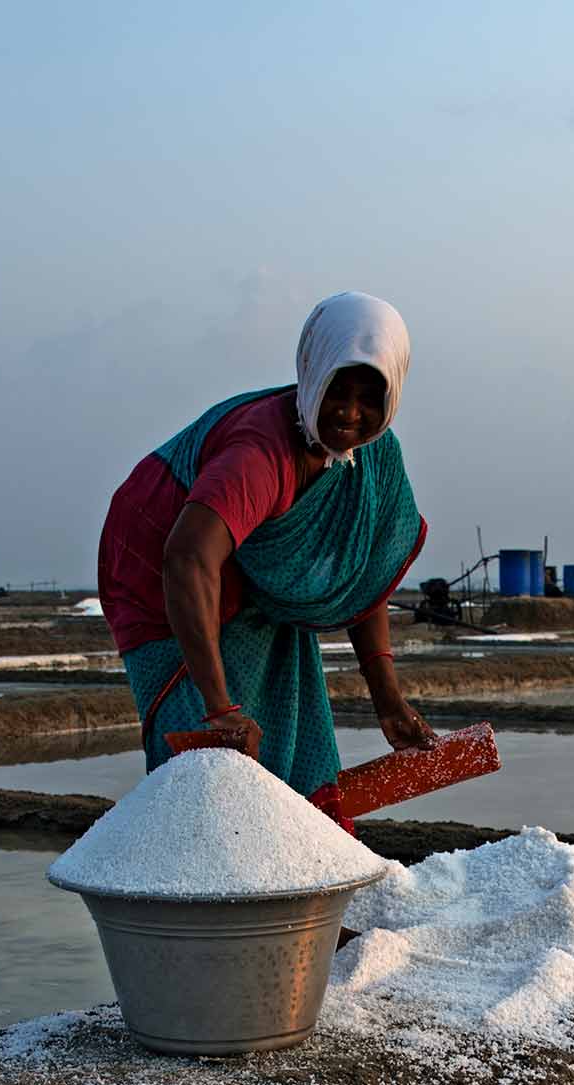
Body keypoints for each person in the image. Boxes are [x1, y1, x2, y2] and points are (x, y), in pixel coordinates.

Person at [96, 292, 436, 826]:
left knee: (286, 712)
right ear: (312, 375)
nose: (349, 413)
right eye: (335, 392)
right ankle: (202, 869)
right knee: (211, 746)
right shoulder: (260, 454)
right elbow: (186, 559)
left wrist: (389, 702)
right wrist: (218, 707)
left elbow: (362, 578)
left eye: (369, 398)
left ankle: (298, 849)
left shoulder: (372, 459)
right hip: (156, 560)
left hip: (246, 567)